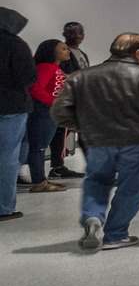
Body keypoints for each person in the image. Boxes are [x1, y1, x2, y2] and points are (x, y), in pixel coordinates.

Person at [52, 33, 139, 250]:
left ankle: (92, 218)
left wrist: (83, 128)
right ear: (137, 52)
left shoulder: (81, 76)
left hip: (97, 141)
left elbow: (60, 111)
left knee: (97, 180)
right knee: (132, 187)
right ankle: (116, 234)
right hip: (137, 142)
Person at [18, 38, 68, 194]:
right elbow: (35, 89)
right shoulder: (46, 67)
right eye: (63, 48)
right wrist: (53, 102)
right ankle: (39, 182)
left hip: (47, 111)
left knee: (39, 147)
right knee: (38, 148)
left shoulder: (54, 68)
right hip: (43, 111)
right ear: (52, 51)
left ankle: (41, 180)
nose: (67, 51)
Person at [0, 6, 34, 221]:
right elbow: (28, 77)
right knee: (8, 157)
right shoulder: (15, 44)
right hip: (11, 107)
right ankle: (3, 207)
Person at [42, 22, 86, 177]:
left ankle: (58, 166)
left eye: (80, 32)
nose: (78, 36)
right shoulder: (61, 57)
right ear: (65, 34)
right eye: (74, 32)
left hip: (77, 99)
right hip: (65, 100)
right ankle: (57, 167)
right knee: (60, 132)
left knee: (74, 132)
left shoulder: (80, 54)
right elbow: (58, 76)